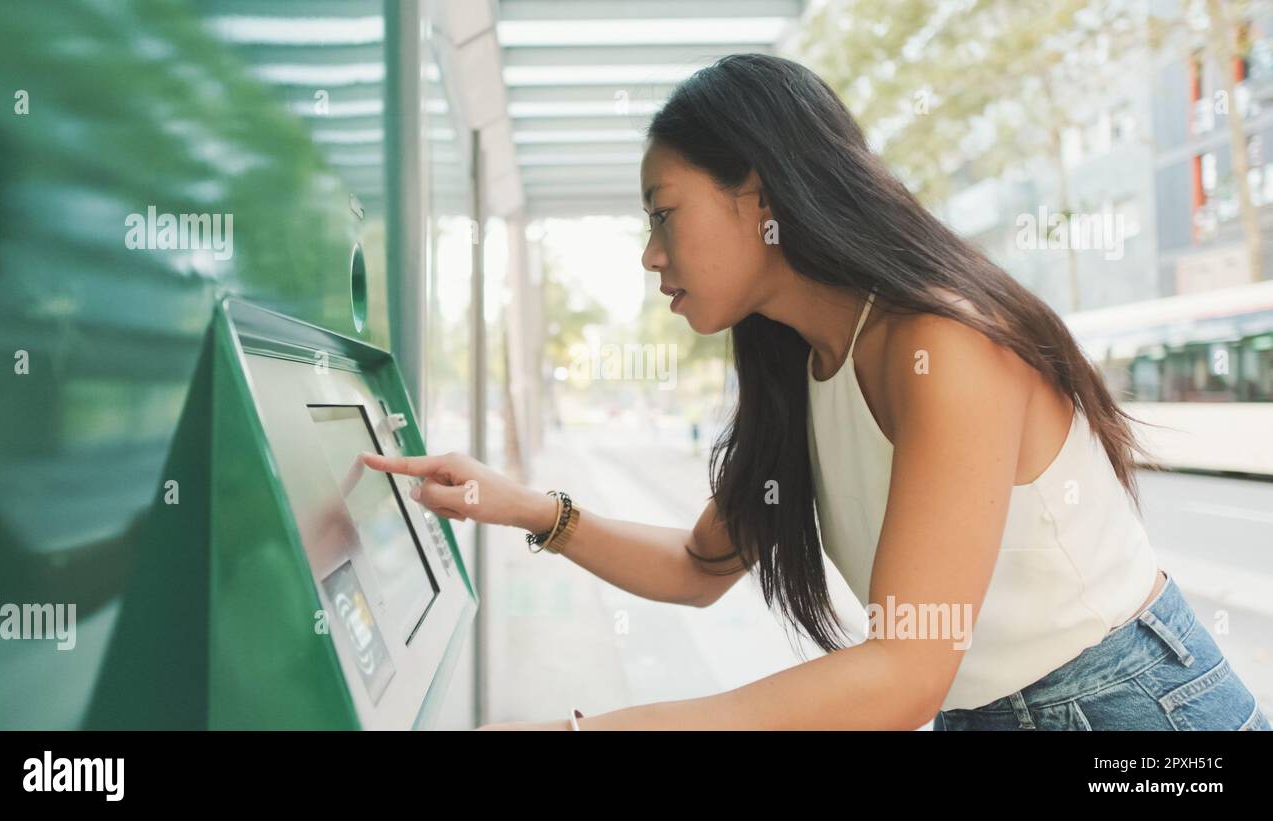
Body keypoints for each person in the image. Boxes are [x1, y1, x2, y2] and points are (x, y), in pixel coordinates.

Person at [364, 54, 1269, 731]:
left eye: (662, 212)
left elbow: (907, 669)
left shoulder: (942, 345)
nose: (650, 254)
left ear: (756, 194)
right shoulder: (799, 365)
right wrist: (516, 504)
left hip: (1138, 715)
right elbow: (697, 566)